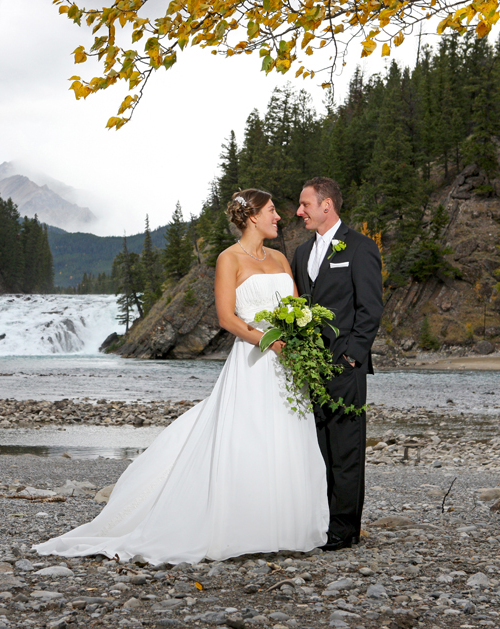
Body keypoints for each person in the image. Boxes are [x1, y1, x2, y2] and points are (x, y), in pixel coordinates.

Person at [33, 189, 328, 565]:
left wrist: (299, 337)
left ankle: (286, 527)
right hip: (255, 359)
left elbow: (297, 306)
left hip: (288, 363)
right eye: (272, 211)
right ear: (252, 217)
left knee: (288, 436)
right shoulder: (228, 259)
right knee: (249, 438)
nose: (279, 217)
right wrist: (270, 341)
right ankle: (242, 527)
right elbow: (227, 318)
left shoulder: (281, 259)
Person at [291, 177, 383, 551]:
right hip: (309, 370)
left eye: (305, 205)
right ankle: (319, 524)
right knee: (316, 450)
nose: (299, 212)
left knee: (346, 451)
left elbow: (371, 309)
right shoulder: (300, 254)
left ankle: (344, 532)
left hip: (345, 368)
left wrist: (351, 357)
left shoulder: (361, 248)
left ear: (326, 205)